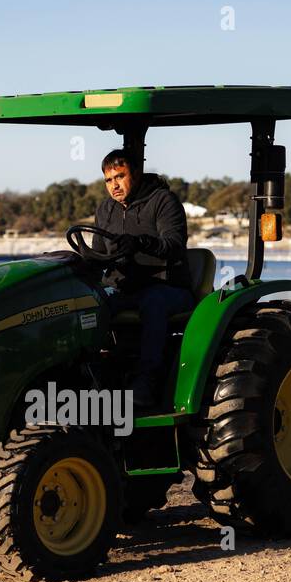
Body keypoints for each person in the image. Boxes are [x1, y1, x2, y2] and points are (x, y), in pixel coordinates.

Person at [93, 149, 194, 408]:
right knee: (88, 302)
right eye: (108, 180)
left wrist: (140, 243)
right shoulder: (105, 210)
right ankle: (91, 372)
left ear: (135, 174)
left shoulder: (162, 201)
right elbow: (97, 254)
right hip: (123, 288)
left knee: (153, 301)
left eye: (120, 176)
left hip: (166, 287)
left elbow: (173, 244)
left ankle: (146, 380)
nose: (114, 185)